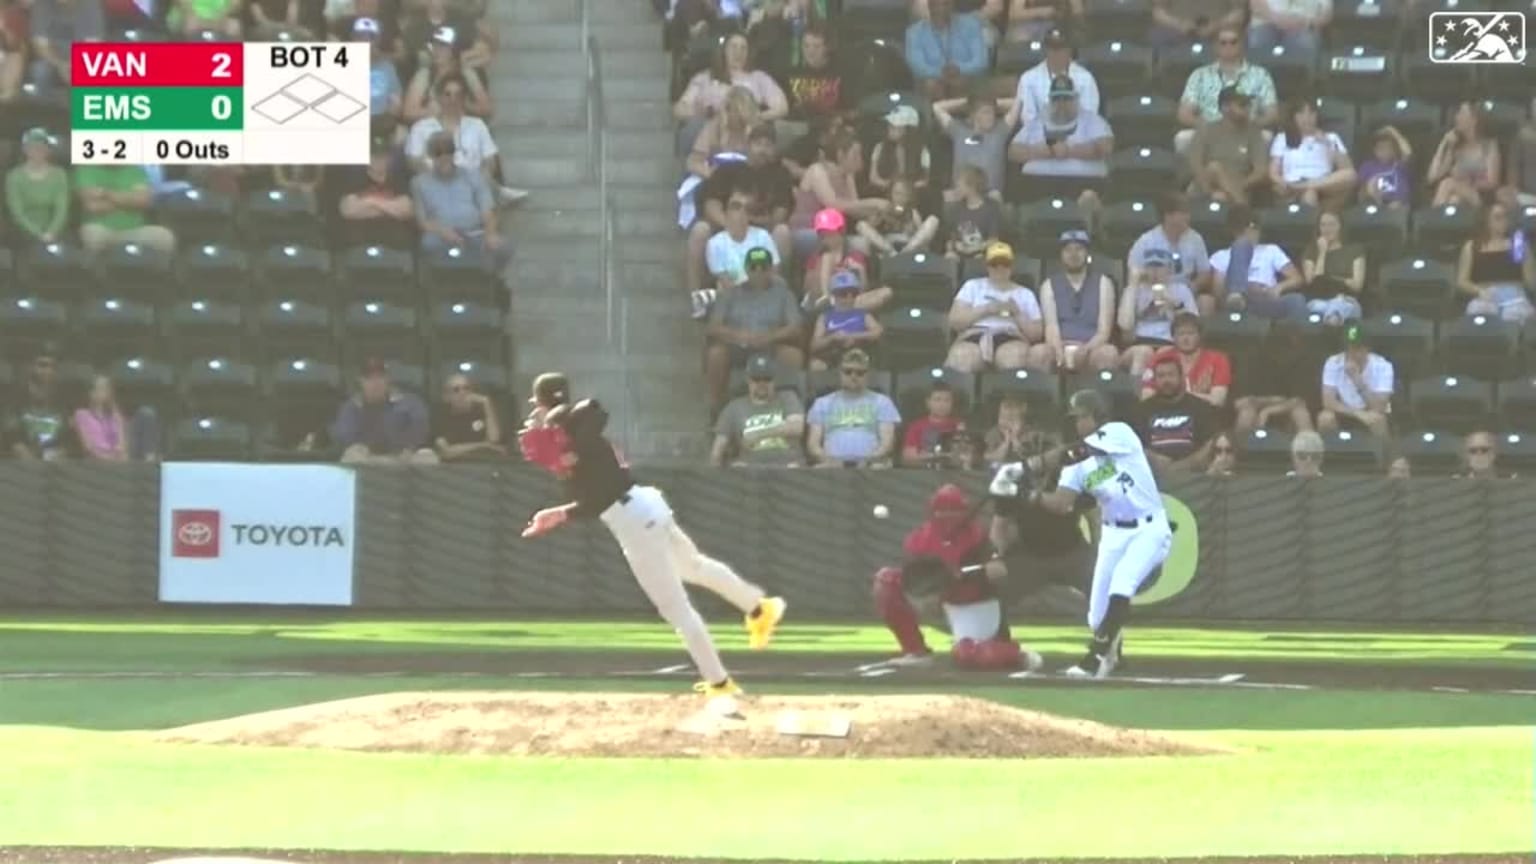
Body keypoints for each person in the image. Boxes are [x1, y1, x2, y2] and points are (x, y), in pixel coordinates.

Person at [518, 373, 788, 715]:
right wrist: (561, 511)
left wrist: (562, 429)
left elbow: (593, 412)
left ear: (541, 401)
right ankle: (760, 608)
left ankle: (720, 686)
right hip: (645, 504)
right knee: (694, 567)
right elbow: (595, 492)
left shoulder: (576, 428)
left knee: (676, 608)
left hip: (633, 520)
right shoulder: (574, 437)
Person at [1007, 389, 1173, 678]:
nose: (1079, 423)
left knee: (1122, 584)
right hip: (1113, 533)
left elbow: (1076, 451)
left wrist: (1029, 465)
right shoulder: (1076, 467)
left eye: (1083, 417)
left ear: (1098, 415)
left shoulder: (1119, 432)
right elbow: (1061, 503)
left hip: (1148, 527)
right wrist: (1027, 495)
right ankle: (1113, 658)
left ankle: (1094, 659)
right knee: (1096, 615)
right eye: (1075, 419)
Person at [871, 484, 1043, 669]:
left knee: (967, 655)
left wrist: (991, 566)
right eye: (942, 512)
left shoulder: (980, 538)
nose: (947, 517)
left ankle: (1015, 653)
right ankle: (916, 651)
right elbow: (915, 576)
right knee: (886, 580)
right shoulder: (918, 540)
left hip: (971, 605)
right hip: (935, 602)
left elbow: (1001, 570)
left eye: (954, 512)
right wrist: (923, 596)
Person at [1132, 355, 1217, 471]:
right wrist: (1152, 459)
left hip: (1193, 475)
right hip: (1153, 474)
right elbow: (1135, 446)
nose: (1166, 380)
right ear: (1155, 380)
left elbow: (1211, 444)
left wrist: (1183, 466)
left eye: (1171, 375)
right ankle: (1098, 479)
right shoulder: (1142, 410)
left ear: (1182, 377)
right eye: (1161, 376)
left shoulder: (1201, 407)